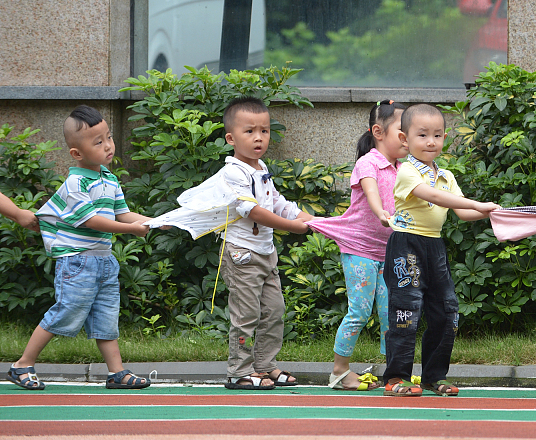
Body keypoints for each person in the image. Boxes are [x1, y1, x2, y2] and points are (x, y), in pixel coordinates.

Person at [152, 96, 313, 389]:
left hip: (266, 252)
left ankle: (265, 366)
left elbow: (276, 202)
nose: (258, 138)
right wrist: (292, 226)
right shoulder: (233, 173)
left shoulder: (261, 168)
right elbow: (251, 210)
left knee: (274, 311)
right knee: (246, 314)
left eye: (264, 131)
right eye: (249, 131)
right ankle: (239, 371)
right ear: (230, 138)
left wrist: (311, 219)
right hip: (242, 254)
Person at [7, 106, 153, 391]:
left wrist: (158, 221)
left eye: (108, 137)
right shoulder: (75, 183)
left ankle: (117, 372)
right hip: (77, 263)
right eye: (98, 142)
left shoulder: (109, 178)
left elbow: (123, 213)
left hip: (104, 261)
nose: (108, 145)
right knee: (64, 311)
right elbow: (94, 221)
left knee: (107, 317)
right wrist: (134, 230)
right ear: (77, 154)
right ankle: (22, 364)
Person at [381, 104, 500, 398]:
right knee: (406, 309)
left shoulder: (446, 175)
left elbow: (463, 213)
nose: (431, 142)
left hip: (434, 247)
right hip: (406, 245)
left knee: (447, 312)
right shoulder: (407, 171)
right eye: (422, 135)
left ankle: (434, 376)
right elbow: (432, 196)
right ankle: (397, 377)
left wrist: (493, 213)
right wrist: (475, 203)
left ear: (445, 137)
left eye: (437, 135)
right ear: (404, 139)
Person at [306, 100, 406, 391]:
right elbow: (372, 191)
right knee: (359, 312)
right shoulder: (368, 163)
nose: (408, 137)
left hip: (391, 254)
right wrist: (380, 213)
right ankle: (339, 371)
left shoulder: (405, 168)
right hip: (360, 250)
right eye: (403, 130)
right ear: (378, 131)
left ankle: (394, 372)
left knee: (392, 314)